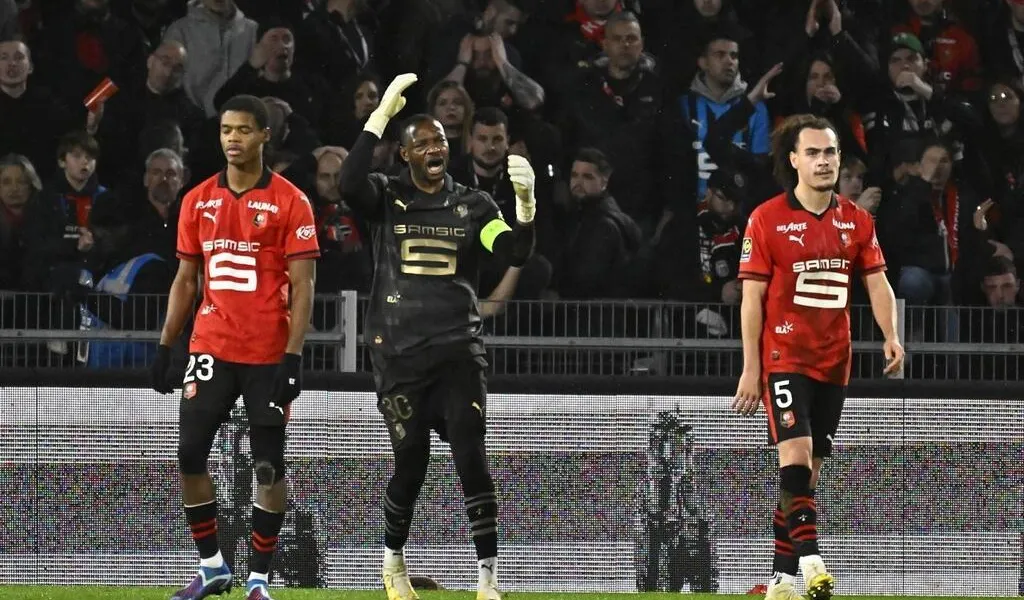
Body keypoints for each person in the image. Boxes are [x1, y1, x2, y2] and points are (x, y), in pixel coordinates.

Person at [338, 73, 536, 600]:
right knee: (412, 463)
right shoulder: (386, 197)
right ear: (402, 154)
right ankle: (393, 562)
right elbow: (346, 184)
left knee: (471, 452)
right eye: (421, 142)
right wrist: (378, 117)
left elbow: (511, 253)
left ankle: (488, 579)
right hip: (399, 355)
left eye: (441, 142)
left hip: (458, 351)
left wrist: (524, 209)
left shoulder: (473, 206)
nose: (434, 148)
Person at [149, 94, 319, 600]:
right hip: (211, 346)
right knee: (189, 455)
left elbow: (304, 285)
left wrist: (293, 357)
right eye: (226, 130)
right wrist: (165, 346)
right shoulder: (197, 199)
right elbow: (186, 278)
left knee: (268, 465)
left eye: (244, 130)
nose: (233, 139)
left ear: (265, 135)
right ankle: (212, 566)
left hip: (267, 353)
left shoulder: (292, 201)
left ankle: (259, 580)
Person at [732, 114, 905, 600]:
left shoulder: (857, 220)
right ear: (794, 160)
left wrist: (890, 335)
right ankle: (810, 564)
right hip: (784, 357)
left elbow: (877, 283)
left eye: (830, 152)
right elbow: (752, 300)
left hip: (835, 362)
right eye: (813, 152)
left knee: (806, 476)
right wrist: (752, 368)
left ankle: (781, 581)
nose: (824, 161)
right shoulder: (766, 218)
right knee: (796, 455)